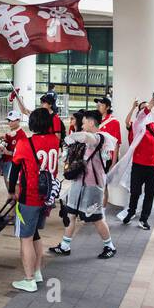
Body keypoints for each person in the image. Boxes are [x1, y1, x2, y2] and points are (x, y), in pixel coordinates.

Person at [50, 110, 117, 259]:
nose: (83, 124)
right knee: (71, 214)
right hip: (78, 184)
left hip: (93, 187)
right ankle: (65, 246)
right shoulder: (87, 140)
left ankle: (109, 246)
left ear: (92, 122)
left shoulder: (100, 137)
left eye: (85, 122)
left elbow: (86, 137)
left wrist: (70, 137)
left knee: (96, 218)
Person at [10, 107, 60, 292]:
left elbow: (14, 169)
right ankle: (37, 272)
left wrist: (10, 190)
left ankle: (29, 279)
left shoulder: (24, 143)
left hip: (29, 197)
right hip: (46, 198)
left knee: (26, 238)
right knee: (36, 235)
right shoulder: (55, 141)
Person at [119, 96, 154, 228]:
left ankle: (144, 219)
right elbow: (138, 118)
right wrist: (146, 106)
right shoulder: (136, 125)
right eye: (142, 108)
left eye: (147, 107)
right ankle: (131, 212)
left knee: (149, 194)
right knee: (135, 192)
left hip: (153, 167)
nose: (145, 110)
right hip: (137, 164)